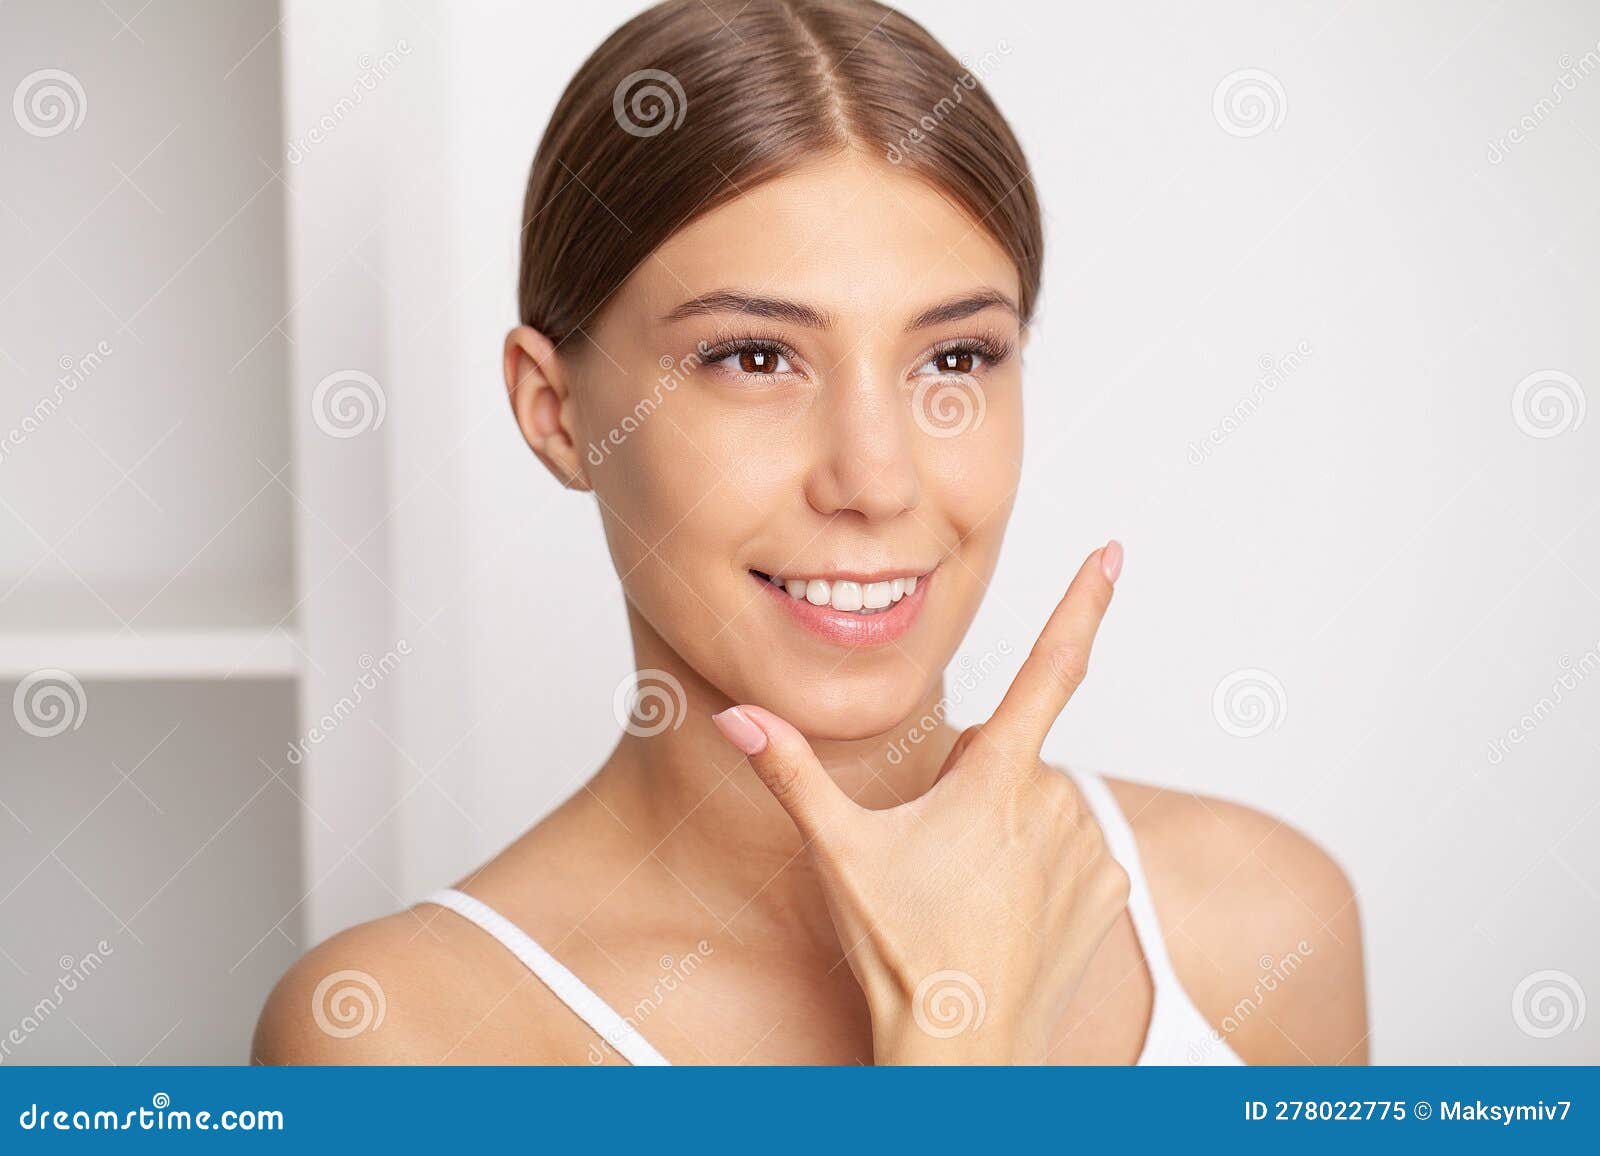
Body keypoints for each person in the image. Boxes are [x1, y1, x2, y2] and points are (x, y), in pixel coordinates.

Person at [256, 0, 1368, 1065]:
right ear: (556, 412)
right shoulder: (404, 1037)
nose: (874, 479)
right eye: (753, 357)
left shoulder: (1255, 919)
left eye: (955, 358)